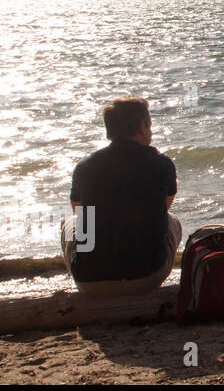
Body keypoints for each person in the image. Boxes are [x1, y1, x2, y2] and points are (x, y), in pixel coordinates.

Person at [60, 96, 182, 295]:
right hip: (148, 276)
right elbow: (164, 206)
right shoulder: (162, 163)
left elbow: (79, 211)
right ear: (143, 126)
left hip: (90, 281)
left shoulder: (85, 166)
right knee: (172, 221)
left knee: (69, 224)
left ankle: (82, 272)